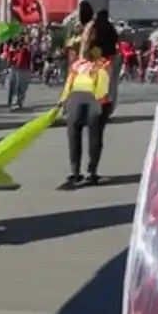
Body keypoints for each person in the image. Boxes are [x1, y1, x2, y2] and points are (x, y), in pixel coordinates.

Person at [56, 25, 112, 190]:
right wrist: (62, 101)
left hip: (94, 99)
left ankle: (92, 171)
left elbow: (103, 81)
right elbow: (69, 83)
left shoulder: (102, 63)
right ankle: (75, 172)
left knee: (95, 138)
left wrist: (102, 100)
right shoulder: (76, 65)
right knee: (73, 135)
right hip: (75, 98)